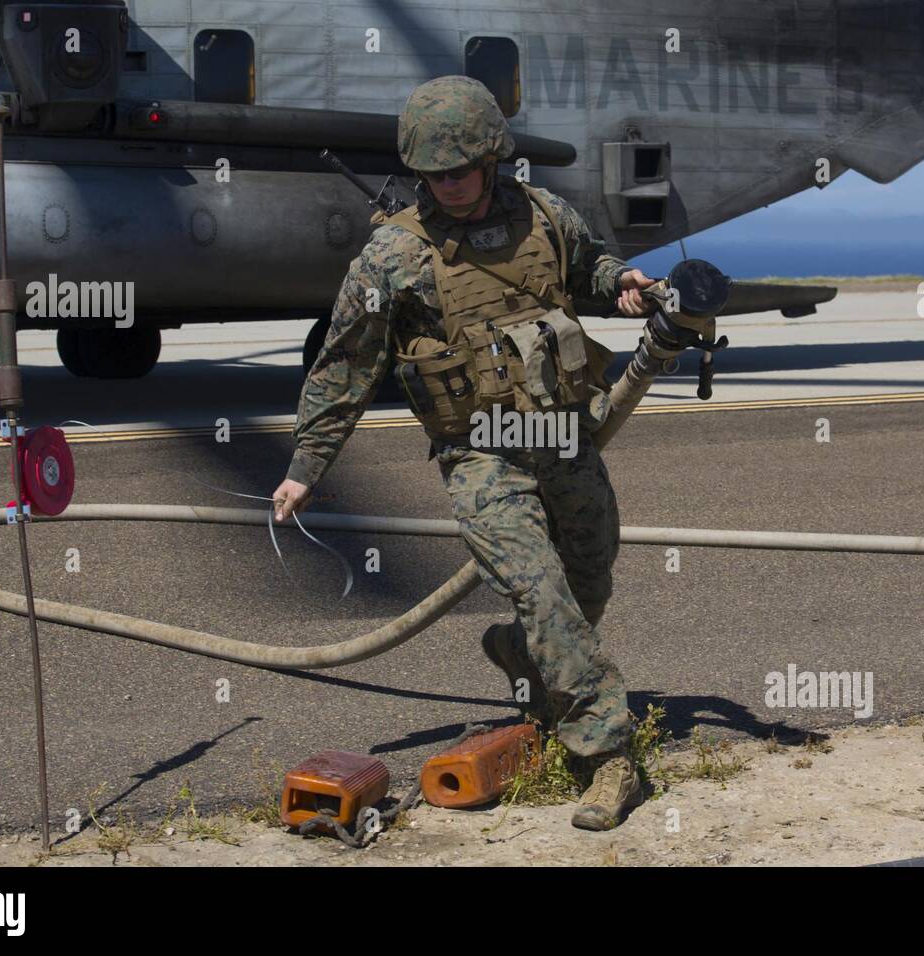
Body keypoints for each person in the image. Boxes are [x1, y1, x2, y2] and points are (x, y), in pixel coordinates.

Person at [271, 75, 658, 830]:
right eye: (432, 174)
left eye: (459, 170)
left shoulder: (545, 214)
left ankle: (523, 653)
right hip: (480, 453)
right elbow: (345, 366)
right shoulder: (393, 258)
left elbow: (591, 268)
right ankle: (608, 756)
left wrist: (624, 284)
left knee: (588, 580)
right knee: (542, 589)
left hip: (558, 435)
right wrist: (304, 467)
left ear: (491, 158)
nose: (446, 185)